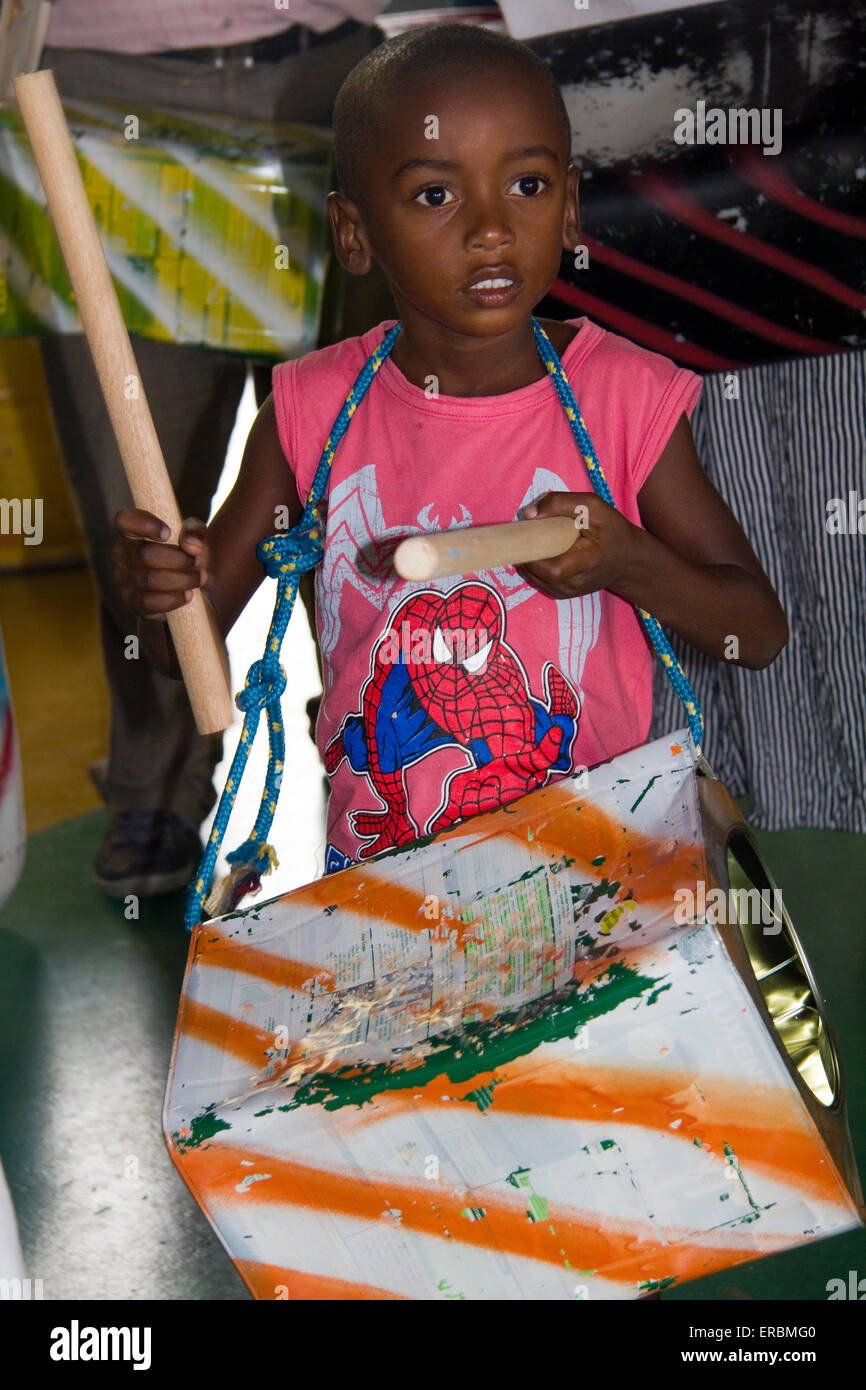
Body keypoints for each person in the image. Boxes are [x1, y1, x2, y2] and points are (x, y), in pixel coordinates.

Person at [112, 22, 789, 881]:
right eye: (436, 195)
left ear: (572, 206)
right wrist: (164, 593)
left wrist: (629, 560)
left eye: (528, 185)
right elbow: (188, 662)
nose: (491, 230)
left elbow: (756, 632)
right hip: (388, 892)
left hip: (598, 879)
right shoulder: (311, 411)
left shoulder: (622, 395)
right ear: (354, 231)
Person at [38, 1, 392, 898]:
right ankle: (155, 788)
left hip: (333, 74)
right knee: (137, 503)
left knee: (370, 472)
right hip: (99, 85)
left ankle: (386, 761)